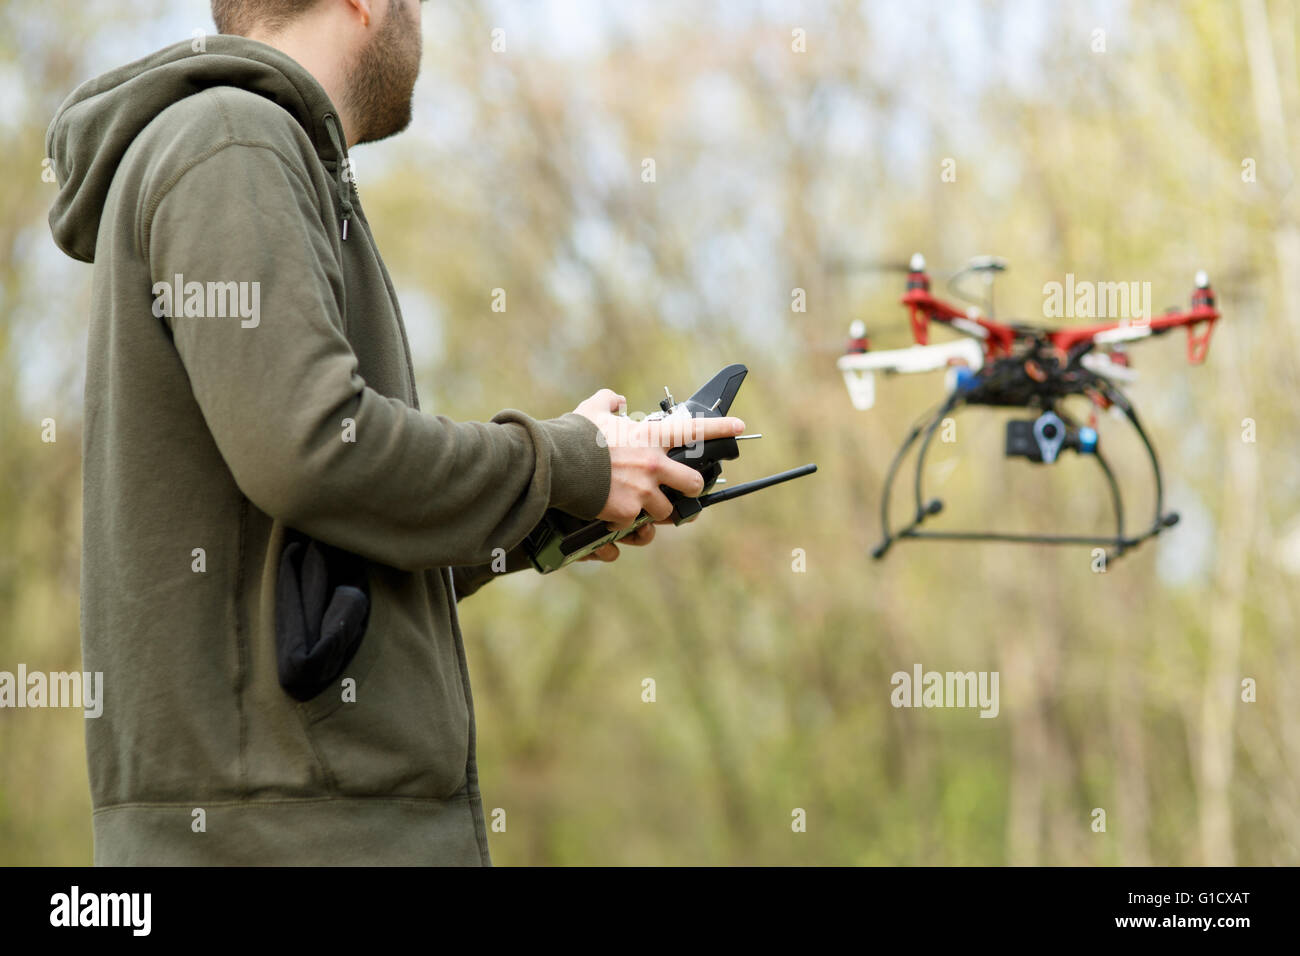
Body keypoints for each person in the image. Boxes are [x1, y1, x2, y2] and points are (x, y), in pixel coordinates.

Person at [44, 0, 743, 865]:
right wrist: (560, 460)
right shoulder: (234, 142)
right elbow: (310, 450)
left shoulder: (248, 147)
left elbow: (325, 542)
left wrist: (557, 508)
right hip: (291, 838)